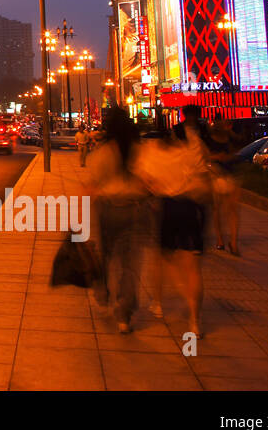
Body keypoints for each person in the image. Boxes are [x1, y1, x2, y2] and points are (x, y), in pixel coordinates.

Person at [134, 107, 214, 337]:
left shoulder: (154, 154)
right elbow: (204, 168)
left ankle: (158, 302)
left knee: (160, 258)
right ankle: (194, 322)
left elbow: (143, 181)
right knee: (193, 268)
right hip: (190, 208)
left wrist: (152, 191)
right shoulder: (192, 151)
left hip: (167, 207)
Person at [83, 107, 150, 333]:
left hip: (108, 209)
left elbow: (92, 186)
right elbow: (148, 182)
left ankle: (103, 297)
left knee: (105, 256)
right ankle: (124, 315)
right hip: (133, 209)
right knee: (129, 265)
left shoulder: (103, 153)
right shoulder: (138, 151)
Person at [206, 115, 243, 254]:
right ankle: (220, 239)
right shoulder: (208, 139)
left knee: (232, 210)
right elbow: (203, 155)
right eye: (218, 123)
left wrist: (229, 156)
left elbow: (238, 152)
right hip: (215, 175)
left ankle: (233, 242)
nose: (220, 125)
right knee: (217, 209)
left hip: (231, 174)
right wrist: (216, 157)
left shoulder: (231, 138)